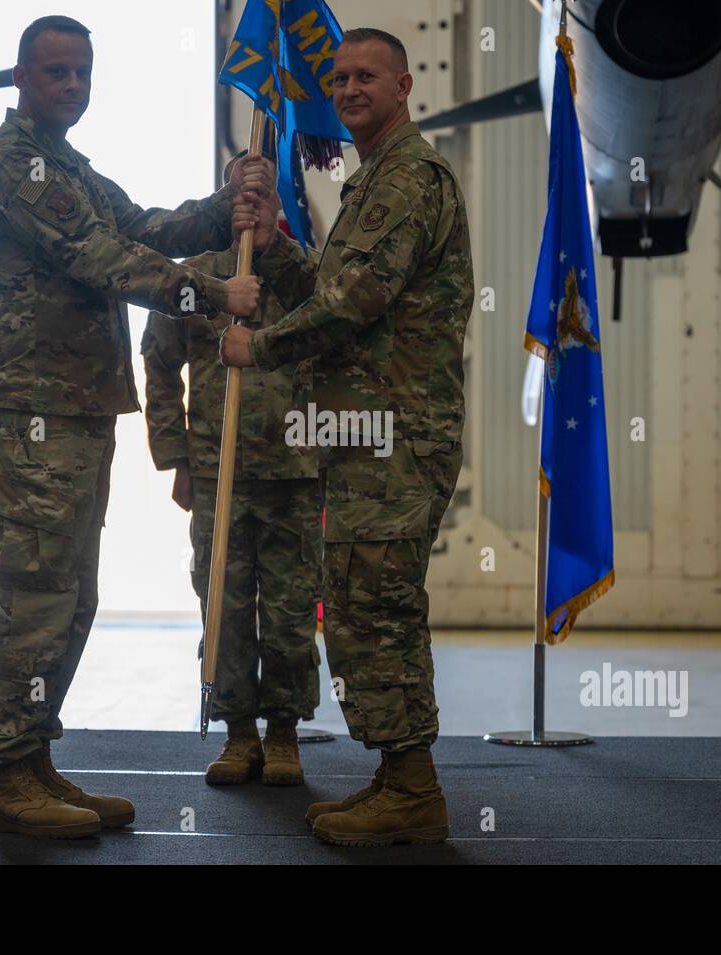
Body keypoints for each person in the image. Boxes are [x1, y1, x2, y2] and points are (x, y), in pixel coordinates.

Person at [0, 15, 264, 838]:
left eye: (83, 73)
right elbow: (104, 259)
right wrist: (210, 295)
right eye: (56, 72)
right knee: (31, 597)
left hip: (76, 414)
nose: (72, 87)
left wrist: (222, 205)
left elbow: (146, 231)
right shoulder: (14, 167)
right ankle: (5, 774)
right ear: (20, 77)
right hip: (28, 419)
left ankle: (33, 758)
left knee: (71, 596)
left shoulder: (72, 171)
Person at [221, 28, 474, 846]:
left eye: (367, 75)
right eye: (338, 77)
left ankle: (412, 787)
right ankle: (398, 778)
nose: (349, 88)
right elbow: (336, 286)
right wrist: (282, 241)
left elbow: (350, 306)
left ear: (404, 85)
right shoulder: (374, 183)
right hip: (366, 437)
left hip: (398, 436)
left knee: (380, 606)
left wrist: (256, 345)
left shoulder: (408, 179)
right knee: (363, 605)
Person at [140, 210, 322, 787]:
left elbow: (342, 336)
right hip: (219, 471)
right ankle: (240, 733)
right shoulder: (195, 279)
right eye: (243, 198)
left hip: (293, 471)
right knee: (224, 606)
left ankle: (285, 733)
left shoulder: (303, 278)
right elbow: (160, 364)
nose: (254, 212)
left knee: (291, 611)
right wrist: (175, 457)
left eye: (263, 198)